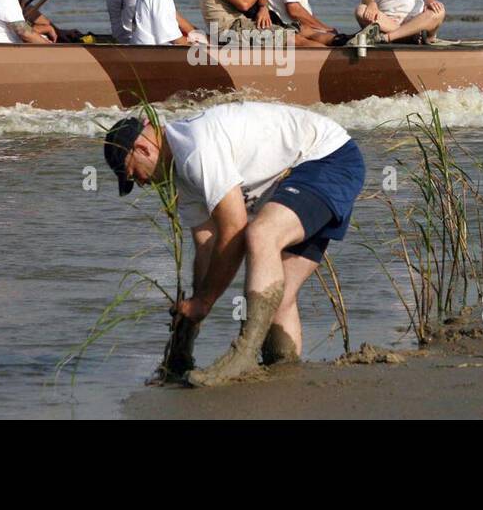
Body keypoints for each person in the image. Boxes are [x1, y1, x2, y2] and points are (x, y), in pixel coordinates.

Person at [103, 102, 366, 386]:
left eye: (133, 174)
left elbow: (234, 230)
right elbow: (207, 245)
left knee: (261, 234)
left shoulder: (194, 150)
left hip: (327, 158)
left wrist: (204, 302)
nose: (140, 183)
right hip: (302, 175)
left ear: (144, 150)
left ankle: (243, 355)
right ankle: (284, 379)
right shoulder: (182, 175)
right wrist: (191, 318)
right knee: (279, 297)